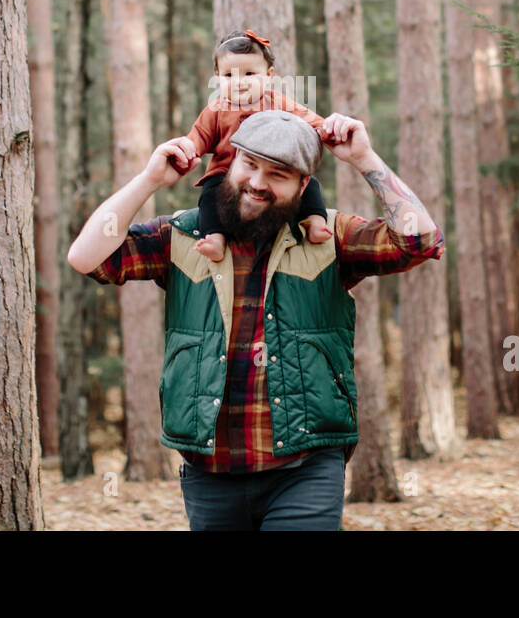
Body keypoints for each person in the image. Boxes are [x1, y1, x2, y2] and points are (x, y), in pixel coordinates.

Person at [66, 107, 445, 531]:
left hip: (305, 466)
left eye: (278, 174)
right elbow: (86, 257)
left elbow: (420, 241)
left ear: (304, 186)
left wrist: (365, 160)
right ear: (232, 161)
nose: (257, 183)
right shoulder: (184, 236)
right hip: (210, 471)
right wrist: (150, 180)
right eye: (250, 165)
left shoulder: (329, 238)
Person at [185, 29, 332, 263]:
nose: (239, 83)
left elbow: (309, 120)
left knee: (308, 184)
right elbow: (199, 136)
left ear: (269, 75)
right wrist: (186, 148)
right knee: (209, 194)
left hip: (274, 170)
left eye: (249, 74)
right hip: (225, 175)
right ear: (217, 77)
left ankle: (316, 221)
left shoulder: (277, 103)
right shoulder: (215, 110)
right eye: (229, 76)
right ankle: (214, 238)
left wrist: (328, 128)